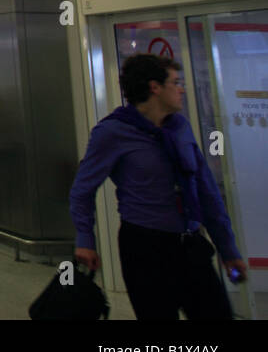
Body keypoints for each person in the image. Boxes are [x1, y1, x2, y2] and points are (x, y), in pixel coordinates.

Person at [69, 53, 245, 320]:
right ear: (155, 87)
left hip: (190, 244)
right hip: (145, 247)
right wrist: (85, 239)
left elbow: (206, 189)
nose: (181, 89)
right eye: (175, 82)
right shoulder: (113, 132)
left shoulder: (180, 127)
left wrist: (228, 249)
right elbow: (83, 189)